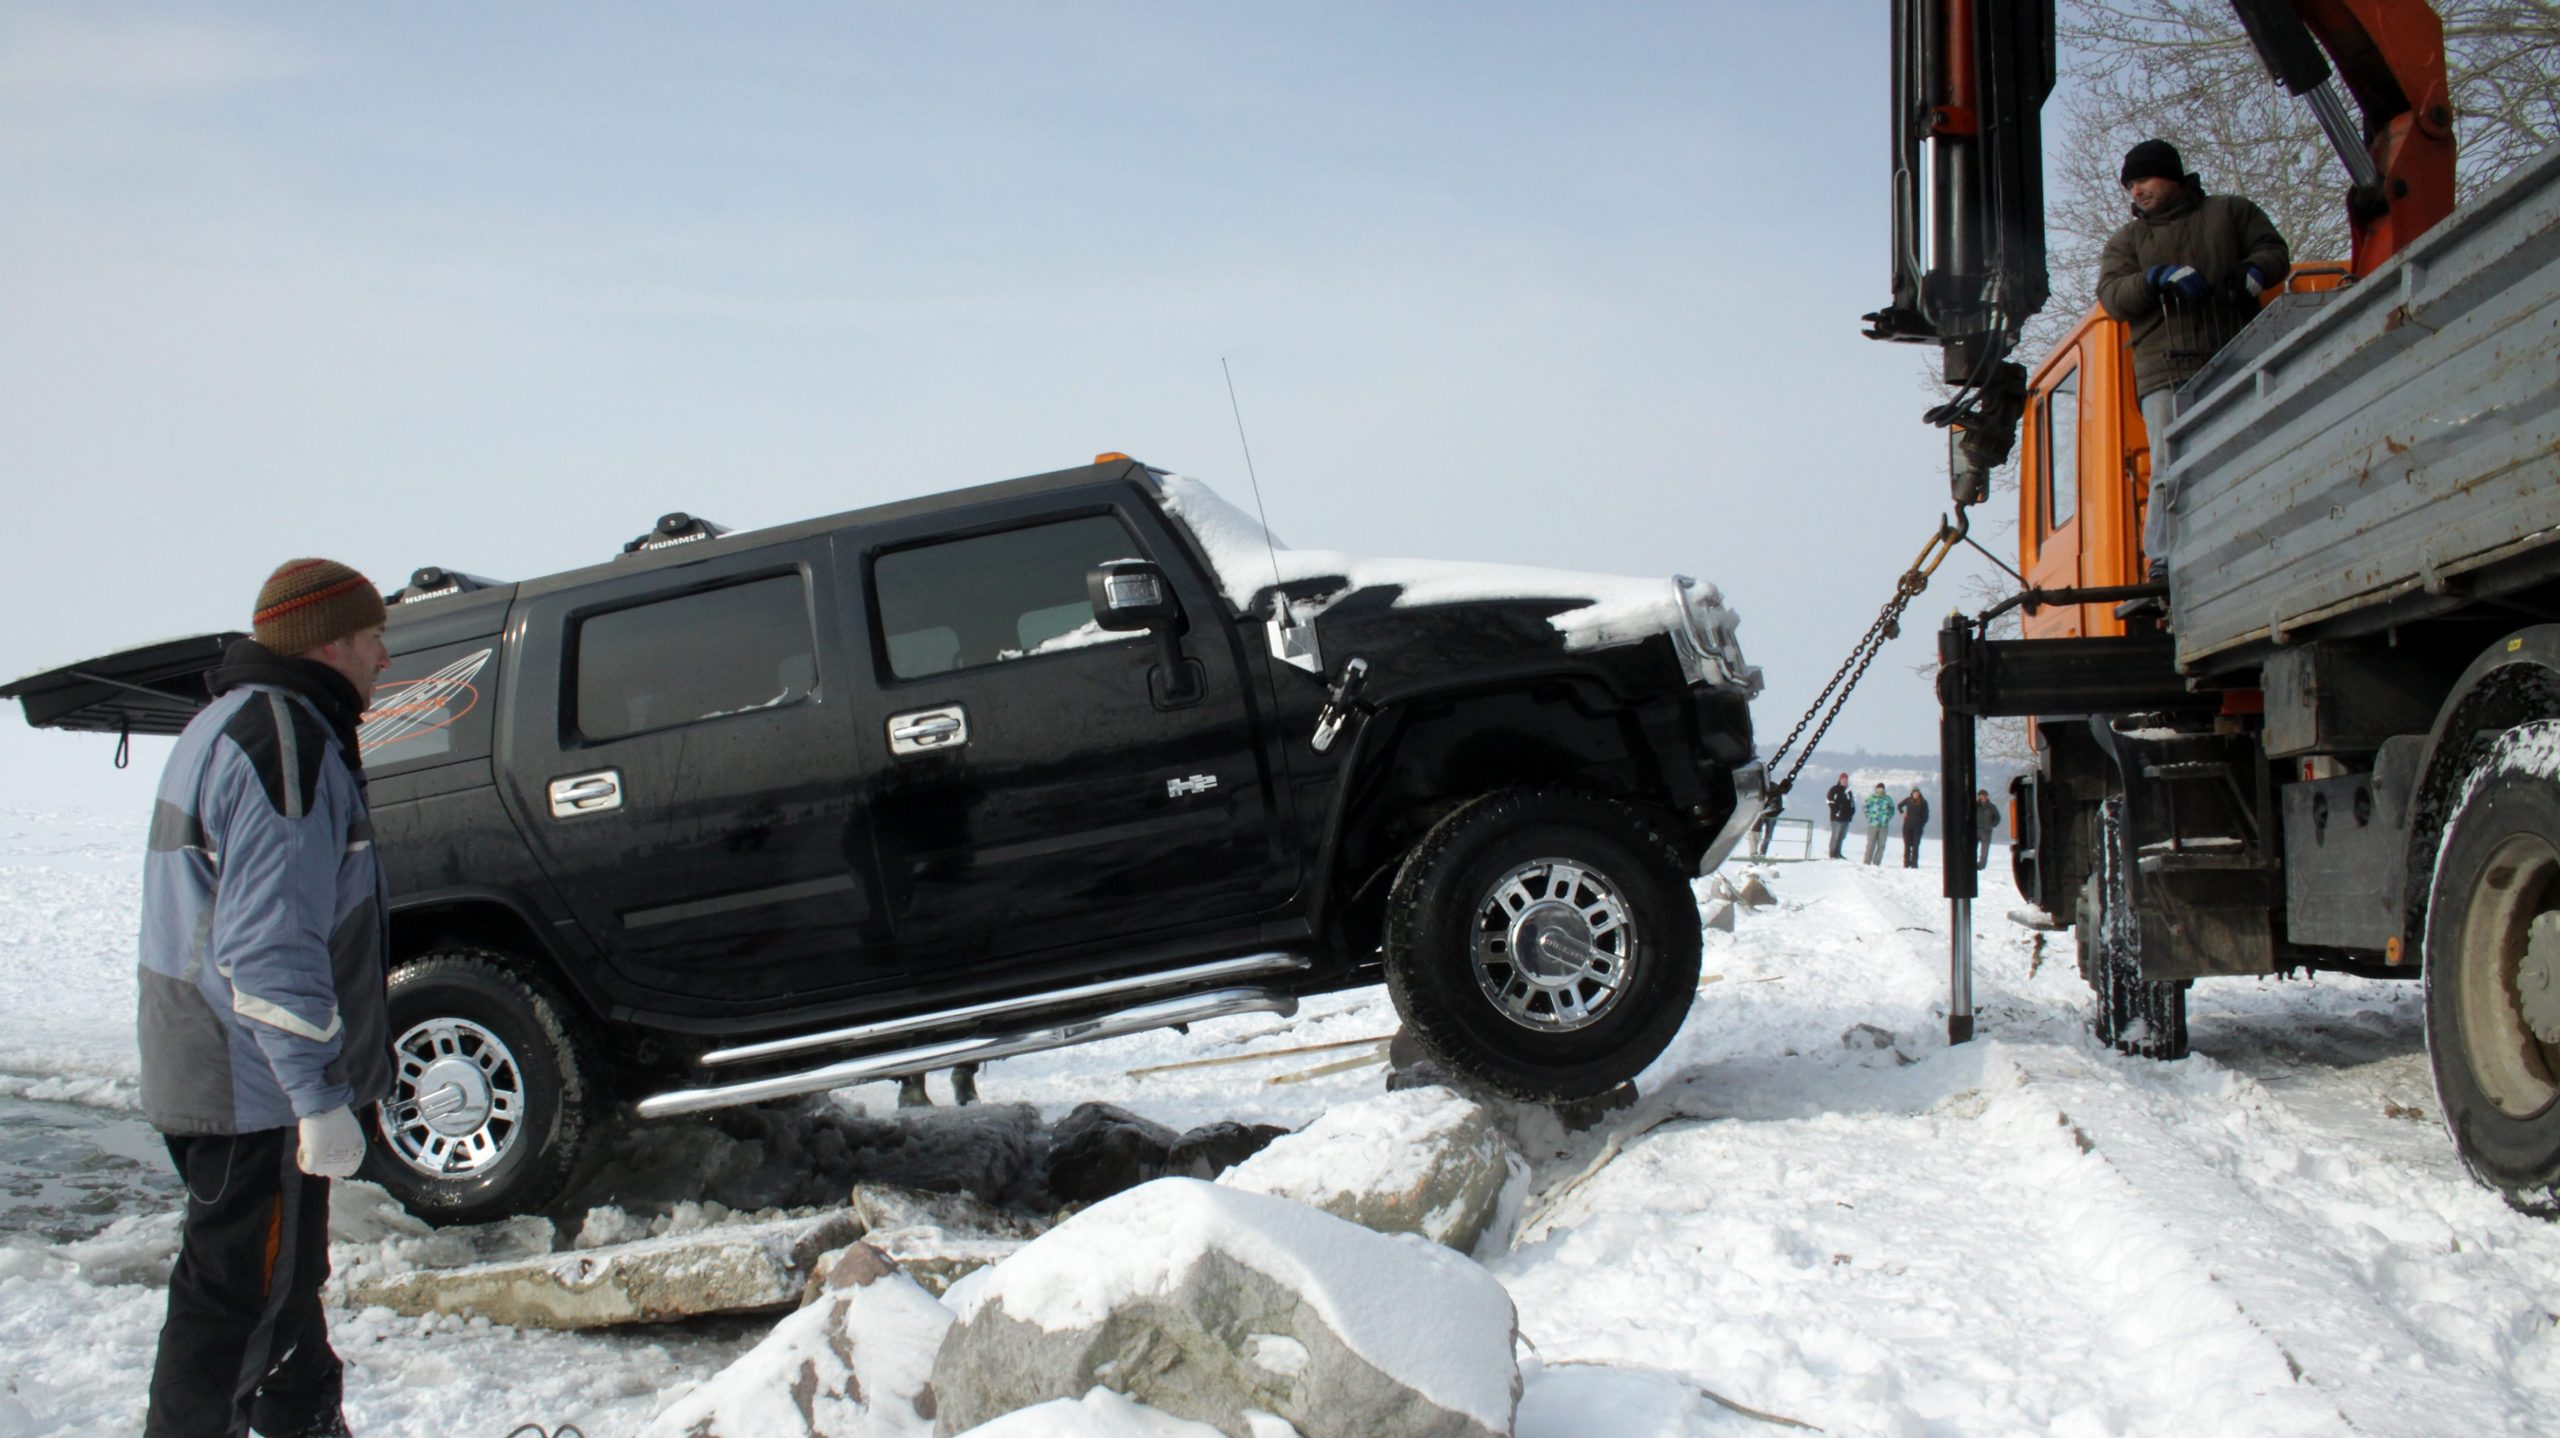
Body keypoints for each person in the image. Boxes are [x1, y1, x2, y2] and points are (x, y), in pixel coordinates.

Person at [140, 559, 394, 1438]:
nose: (384, 658)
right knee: (235, 1307)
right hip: (254, 1087)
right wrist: (318, 1097)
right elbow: (268, 947)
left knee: (283, 1293)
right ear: (325, 641)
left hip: (221, 1067)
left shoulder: (230, 722)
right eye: (372, 638)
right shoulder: (282, 742)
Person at [2096, 138, 2291, 576]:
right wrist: (2153, 279)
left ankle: (2259, 534)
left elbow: (2273, 250)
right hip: (2164, 370)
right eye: (2129, 185)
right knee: (2170, 464)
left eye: (2142, 179)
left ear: (2171, 175)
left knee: (2247, 448)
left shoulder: (2231, 212)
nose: (2136, 191)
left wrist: (2253, 273)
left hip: (2236, 356)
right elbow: (2112, 297)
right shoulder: (2127, 242)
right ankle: (2164, 557)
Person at [1899, 785, 1931, 868]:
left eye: (1917, 793)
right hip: (1907, 827)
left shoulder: (1923, 802)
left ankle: (1914, 864)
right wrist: (1902, 813)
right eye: (1914, 793)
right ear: (1912, 793)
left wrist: (1922, 824)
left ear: (1919, 793)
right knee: (1907, 846)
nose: (1916, 794)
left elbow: (1926, 815)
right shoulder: (1908, 800)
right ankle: (1906, 864)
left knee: (1916, 846)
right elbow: (1899, 806)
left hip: (1918, 828)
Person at [1862, 782, 1893, 866]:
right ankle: (1866, 862)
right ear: (1876, 789)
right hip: (1873, 825)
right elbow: (1865, 807)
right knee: (1870, 845)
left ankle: (1876, 862)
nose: (1880, 790)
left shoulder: (1887, 799)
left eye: (1881, 789)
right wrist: (1869, 817)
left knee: (1881, 845)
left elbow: (1892, 809)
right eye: (1878, 789)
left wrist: (1887, 817)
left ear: (1884, 789)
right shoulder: (1871, 798)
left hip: (1883, 826)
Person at [1825, 773, 1855, 860]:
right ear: (1840, 780)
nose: (1845, 781)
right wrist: (1836, 812)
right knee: (1836, 836)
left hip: (1846, 818)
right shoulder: (1834, 789)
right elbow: (1829, 801)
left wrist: (1851, 813)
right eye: (1843, 779)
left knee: (1842, 837)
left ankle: (1838, 853)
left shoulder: (1848, 791)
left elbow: (1852, 803)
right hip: (1836, 818)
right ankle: (1833, 854)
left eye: (1846, 780)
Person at [1751, 786, 1785, 858]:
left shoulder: (1775, 787)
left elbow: (1779, 804)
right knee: (1755, 833)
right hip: (1760, 813)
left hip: (1772, 814)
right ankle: (1754, 853)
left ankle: (1762, 853)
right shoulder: (1759, 787)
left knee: (1768, 835)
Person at [1974, 789, 2002, 870]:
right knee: (1973, 849)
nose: (1982, 797)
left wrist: (1991, 825)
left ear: (1986, 796)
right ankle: (1972, 864)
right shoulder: (1975, 806)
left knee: (1984, 851)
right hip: (1976, 830)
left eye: (1983, 795)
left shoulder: (1992, 807)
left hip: (1987, 832)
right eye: (1980, 795)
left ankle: (1981, 866)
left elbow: (1998, 818)